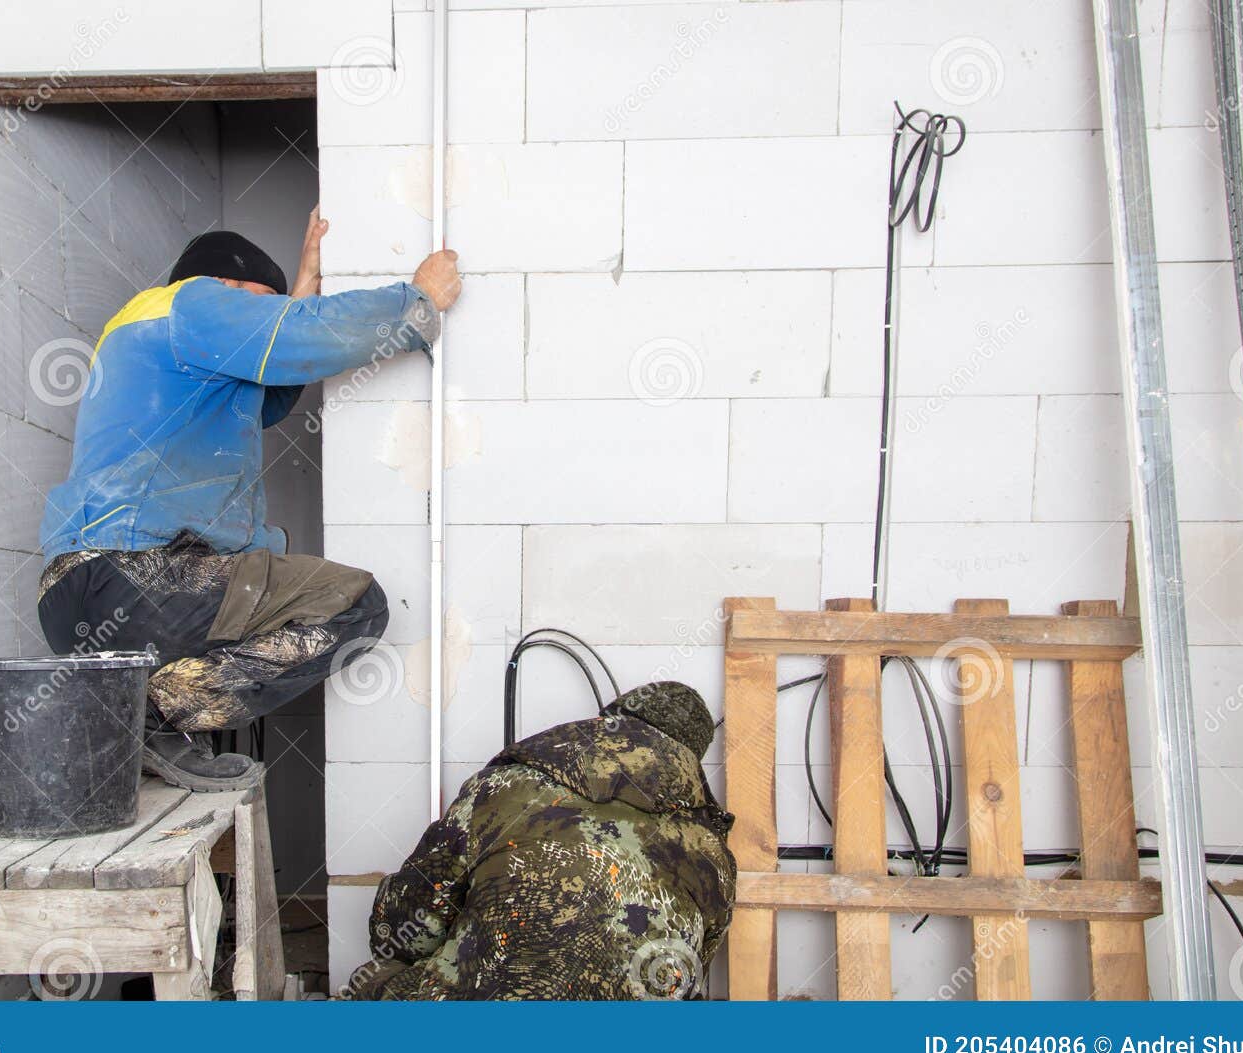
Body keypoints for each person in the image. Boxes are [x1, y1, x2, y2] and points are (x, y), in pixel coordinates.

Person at [37, 209, 461, 791]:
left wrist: (305, 277)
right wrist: (416, 300)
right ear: (227, 285)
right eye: (261, 304)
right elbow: (300, 334)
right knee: (356, 606)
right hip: (140, 580)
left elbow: (269, 392)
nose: (263, 316)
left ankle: (146, 721)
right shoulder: (193, 302)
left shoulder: (147, 336)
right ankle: (145, 716)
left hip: (81, 592)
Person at [343, 681, 737, 1000]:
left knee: (372, 981)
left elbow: (409, 928)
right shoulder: (713, 854)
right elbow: (691, 972)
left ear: (611, 719)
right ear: (689, 758)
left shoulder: (505, 788)